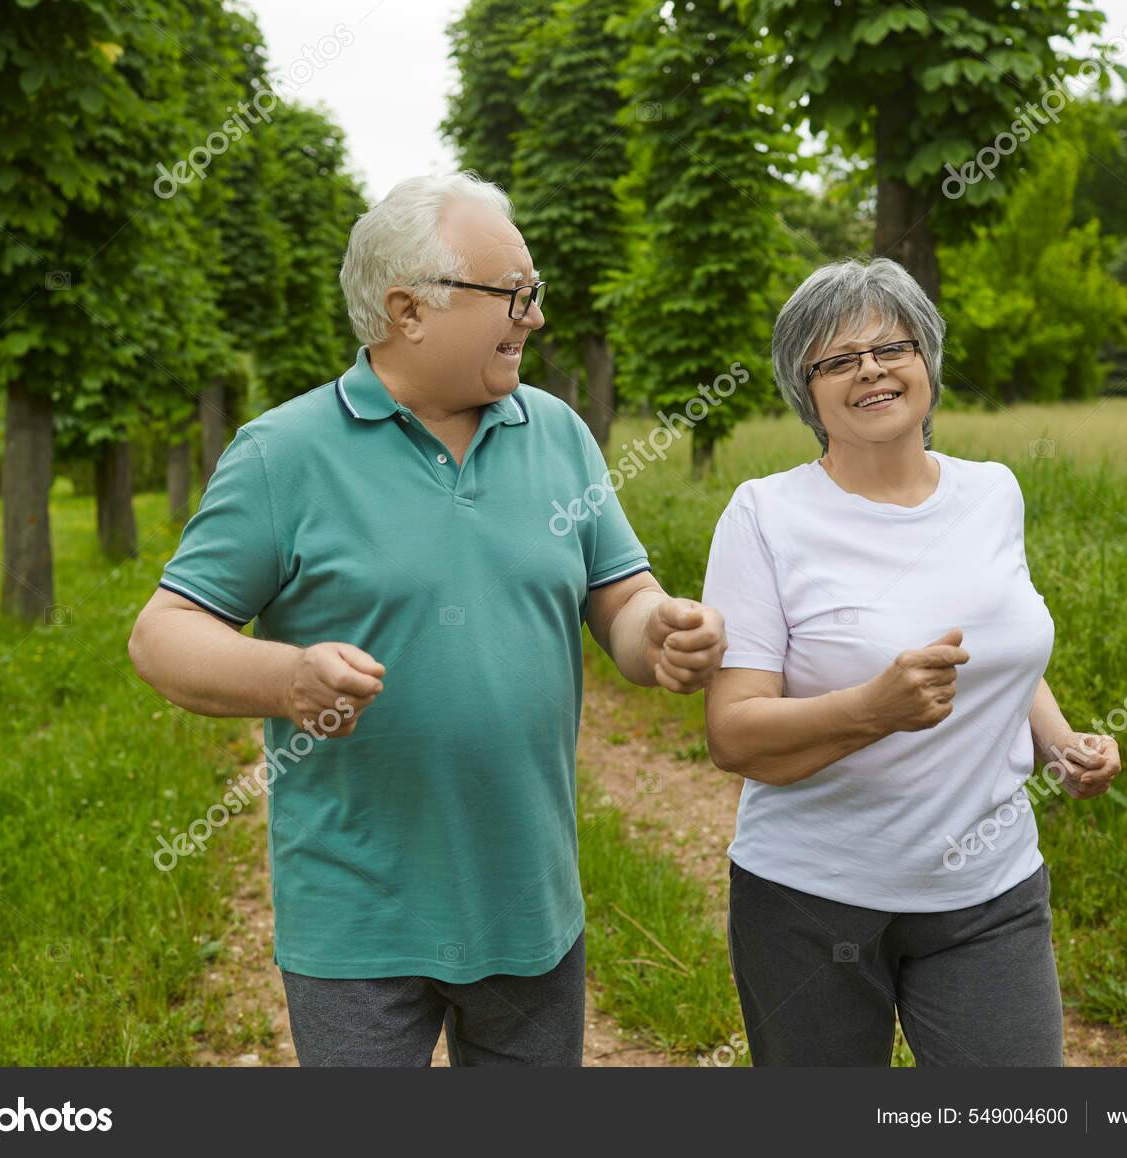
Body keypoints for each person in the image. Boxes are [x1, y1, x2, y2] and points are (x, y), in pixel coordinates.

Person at [128, 171, 726, 1067]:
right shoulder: (283, 454)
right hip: (358, 919)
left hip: (529, 903)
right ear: (407, 310)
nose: (533, 317)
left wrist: (662, 631)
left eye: (535, 293)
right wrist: (286, 678)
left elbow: (620, 598)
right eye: (513, 295)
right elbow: (162, 634)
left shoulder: (558, 434)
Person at [700, 257, 1122, 1067]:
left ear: (926, 359)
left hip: (990, 895)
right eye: (837, 359)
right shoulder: (764, 514)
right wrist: (873, 709)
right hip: (810, 903)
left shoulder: (993, 492)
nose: (871, 369)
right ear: (807, 390)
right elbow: (733, 734)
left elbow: (1002, 656)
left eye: (893, 347)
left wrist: (1063, 747)